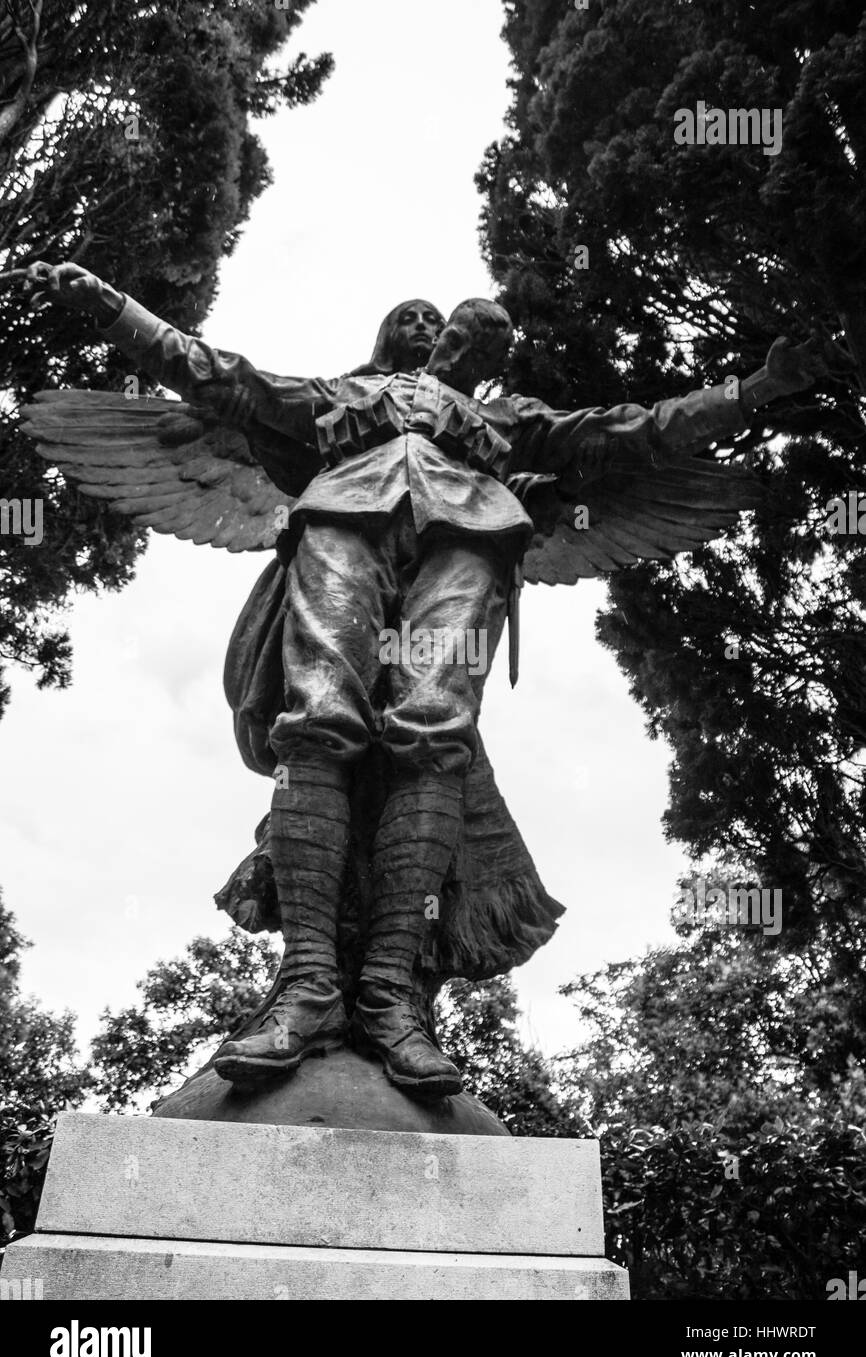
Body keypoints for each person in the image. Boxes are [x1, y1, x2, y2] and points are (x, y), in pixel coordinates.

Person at [16, 262, 828, 1097]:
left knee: (435, 737)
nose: (431, 326)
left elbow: (637, 430)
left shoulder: (510, 421)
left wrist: (755, 389)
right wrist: (113, 307)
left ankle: (391, 999)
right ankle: (307, 986)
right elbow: (220, 377)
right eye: (413, 317)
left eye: (451, 322)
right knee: (318, 724)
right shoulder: (338, 398)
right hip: (342, 521)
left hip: (470, 540)